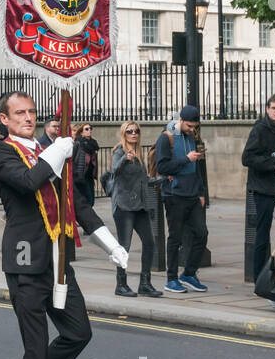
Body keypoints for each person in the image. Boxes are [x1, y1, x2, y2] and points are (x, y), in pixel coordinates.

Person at [0, 91, 129, 359]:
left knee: (79, 333)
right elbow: (29, 181)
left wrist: (111, 245)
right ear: (4, 119)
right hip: (24, 261)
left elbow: (77, 205)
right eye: (19, 113)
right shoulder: (1, 151)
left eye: (31, 111)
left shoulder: (50, 153)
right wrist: (59, 150)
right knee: (34, 345)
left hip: (58, 258)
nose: (28, 117)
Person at [155, 104, 209, 294]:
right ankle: (171, 279)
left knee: (202, 233)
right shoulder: (166, 138)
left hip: (193, 194)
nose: (192, 130)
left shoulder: (192, 137)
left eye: (195, 127)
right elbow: (162, 167)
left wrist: (201, 192)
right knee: (175, 238)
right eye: (189, 126)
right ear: (181, 121)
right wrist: (186, 159)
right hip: (174, 195)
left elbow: (198, 169)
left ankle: (189, 274)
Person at [108, 121, 162, 298]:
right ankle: (120, 284)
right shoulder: (119, 151)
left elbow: (142, 180)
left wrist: (161, 180)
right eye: (130, 131)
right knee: (124, 247)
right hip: (124, 206)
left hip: (139, 205)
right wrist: (125, 159)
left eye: (136, 131)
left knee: (150, 242)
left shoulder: (139, 153)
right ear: (124, 134)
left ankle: (145, 284)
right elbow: (114, 171)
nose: (133, 134)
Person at [241, 93, 275, 280]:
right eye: (273, 108)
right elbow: (247, 158)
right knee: (262, 233)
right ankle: (260, 276)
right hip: (263, 189)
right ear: (267, 109)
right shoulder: (260, 130)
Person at [72, 123, 99, 208]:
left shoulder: (93, 144)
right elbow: (72, 159)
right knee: (88, 199)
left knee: (91, 200)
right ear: (82, 133)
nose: (89, 130)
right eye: (86, 129)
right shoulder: (78, 143)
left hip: (90, 175)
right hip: (81, 175)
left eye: (90, 128)